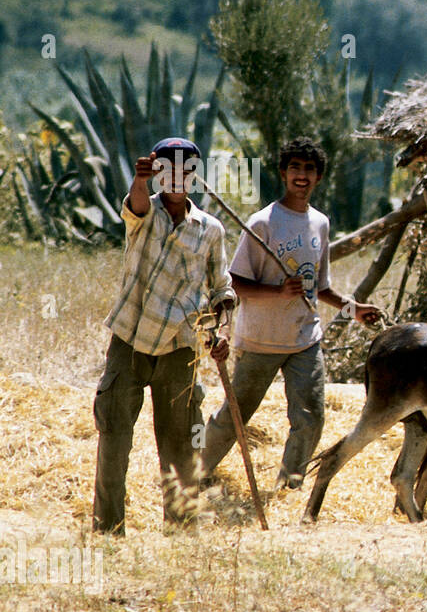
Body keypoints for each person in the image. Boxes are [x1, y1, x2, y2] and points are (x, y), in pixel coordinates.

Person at [201, 136, 380, 492]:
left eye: (309, 169)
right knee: (236, 416)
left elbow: (320, 287)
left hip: (304, 339)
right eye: (295, 168)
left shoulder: (320, 223)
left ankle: (290, 485)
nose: (302, 175)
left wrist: (353, 309)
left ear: (318, 177)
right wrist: (277, 291)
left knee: (310, 417)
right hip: (260, 339)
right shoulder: (263, 222)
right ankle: (194, 473)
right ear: (283, 174)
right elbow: (233, 283)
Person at [92, 137, 235, 535]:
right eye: (167, 170)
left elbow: (221, 288)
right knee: (115, 440)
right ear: (157, 174)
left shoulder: (210, 230)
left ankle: (181, 532)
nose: (177, 178)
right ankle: (108, 531)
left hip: (179, 349)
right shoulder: (144, 213)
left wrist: (221, 331)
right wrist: (139, 180)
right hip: (129, 342)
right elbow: (135, 203)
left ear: (194, 175)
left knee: (180, 447)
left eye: (186, 171)